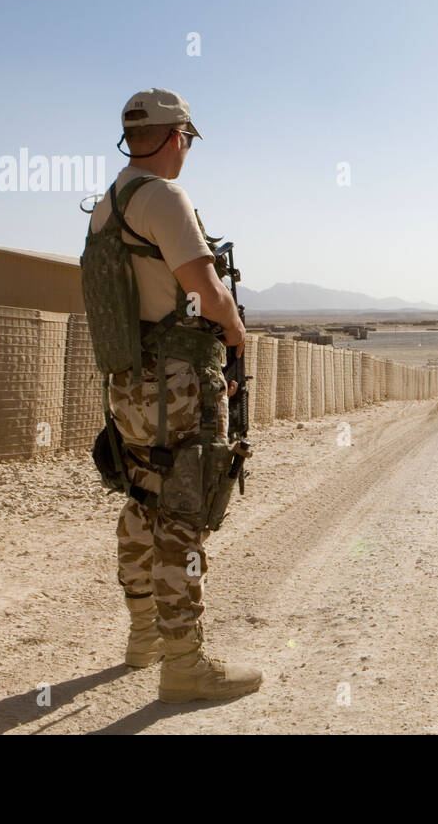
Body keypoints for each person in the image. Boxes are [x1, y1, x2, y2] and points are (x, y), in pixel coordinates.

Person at [84, 88, 262, 702]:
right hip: (175, 382)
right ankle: (183, 662)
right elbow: (204, 292)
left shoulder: (107, 205)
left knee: (142, 496)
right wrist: (236, 333)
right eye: (186, 140)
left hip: (129, 381)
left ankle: (144, 639)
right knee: (183, 510)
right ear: (177, 137)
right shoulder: (165, 197)